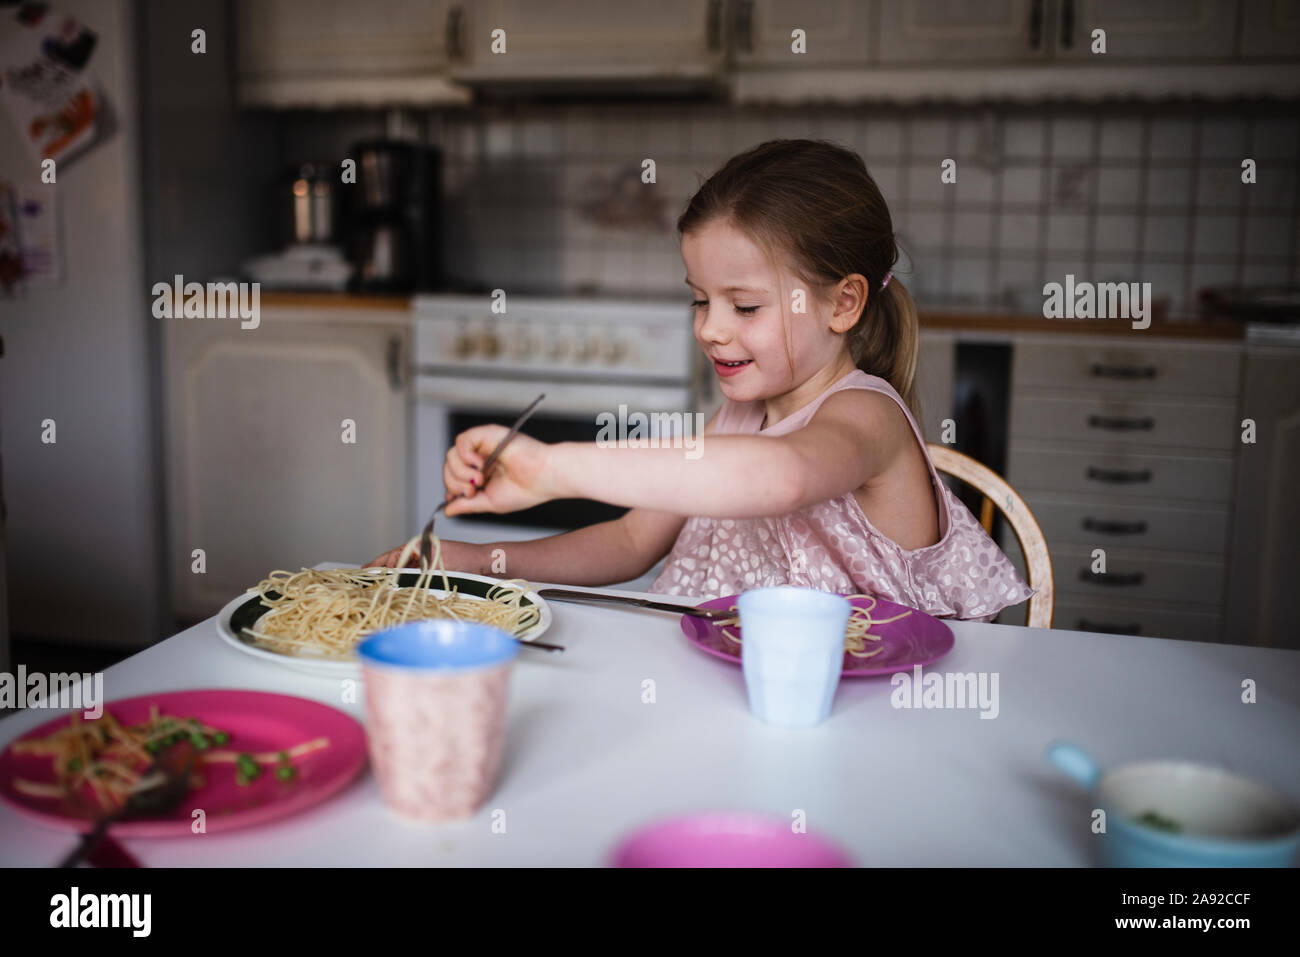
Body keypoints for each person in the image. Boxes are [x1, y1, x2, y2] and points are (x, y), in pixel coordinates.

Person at [372, 139, 1032, 621]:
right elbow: (631, 542)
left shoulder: (866, 419)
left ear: (843, 303)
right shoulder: (740, 417)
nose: (713, 328)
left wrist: (555, 467)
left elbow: (780, 476)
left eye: (745, 306)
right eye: (699, 299)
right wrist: (469, 560)